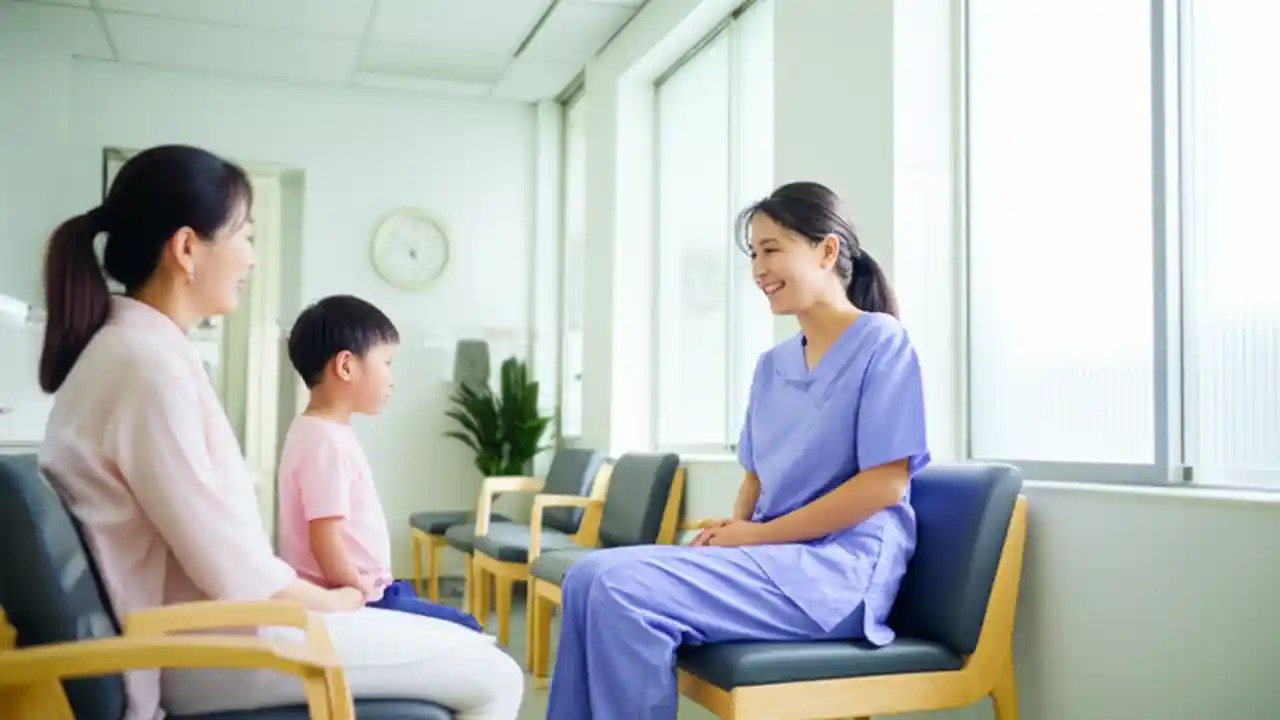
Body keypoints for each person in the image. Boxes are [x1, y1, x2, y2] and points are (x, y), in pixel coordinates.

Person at [37, 145, 522, 720]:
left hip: (204, 632)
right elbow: (233, 571)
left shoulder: (139, 351)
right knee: (492, 672)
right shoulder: (145, 364)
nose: (252, 257)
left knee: (470, 654)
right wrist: (334, 602)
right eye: (245, 234)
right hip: (203, 648)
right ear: (187, 248)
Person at [546, 181, 931, 719]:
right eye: (753, 254)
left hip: (837, 577)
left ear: (827, 251)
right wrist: (730, 535)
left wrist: (756, 536)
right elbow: (755, 481)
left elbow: (885, 484)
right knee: (588, 578)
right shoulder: (771, 366)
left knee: (620, 587)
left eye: (772, 249)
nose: (758, 269)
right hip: (773, 560)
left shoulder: (881, 342)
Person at [278, 294, 482, 632]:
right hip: (361, 596)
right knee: (468, 628)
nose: (392, 378)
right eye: (386, 362)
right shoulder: (325, 441)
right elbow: (324, 536)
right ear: (346, 366)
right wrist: (354, 592)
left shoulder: (319, 432)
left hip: (372, 590)